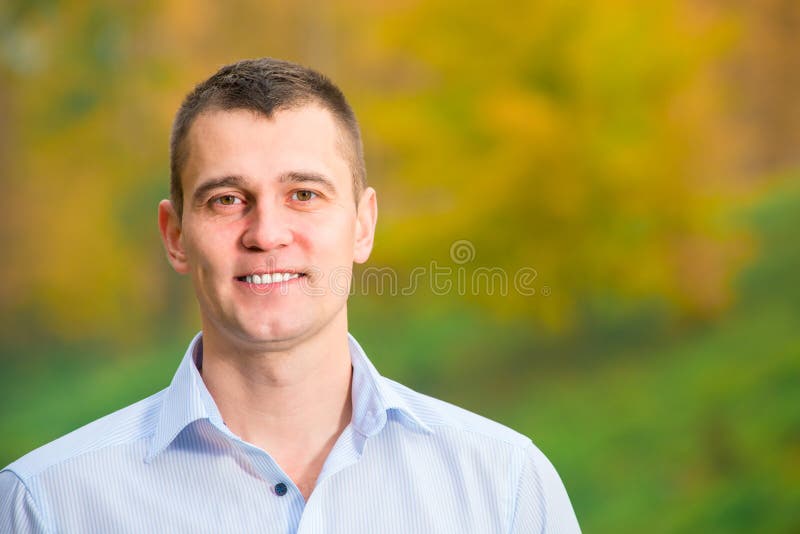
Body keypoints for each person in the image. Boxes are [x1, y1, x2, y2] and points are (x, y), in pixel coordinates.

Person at [0, 58, 580, 533]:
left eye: (304, 193)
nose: (267, 233)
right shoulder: (46, 506)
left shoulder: (505, 487)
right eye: (227, 199)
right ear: (175, 236)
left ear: (362, 225)